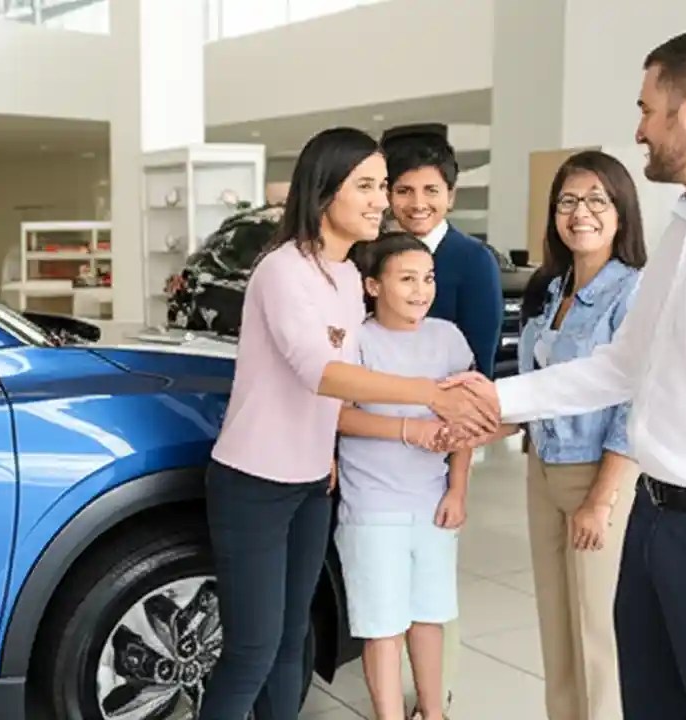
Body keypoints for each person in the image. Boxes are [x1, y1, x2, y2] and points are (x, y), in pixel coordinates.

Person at [455, 26, 686, 719]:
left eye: (648, 109)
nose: (640, 128)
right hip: (654, 525)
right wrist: (495, 396)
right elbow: (624, 366)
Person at [200, 127, 497, 720]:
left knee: (291, 644)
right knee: (252, 651)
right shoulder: (283, 271)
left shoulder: (343, 277)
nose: (381, 201)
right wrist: (429, 397)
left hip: (312, 483)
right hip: (254, 482)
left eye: (381, 187)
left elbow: (332, 395)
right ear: (323, 191)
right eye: (366, 186)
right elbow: (322, 373)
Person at [516, 150, 647, 720]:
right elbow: (538, 386)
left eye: (597, 200)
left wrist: (601, 499)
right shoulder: (552, 290)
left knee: (598, 635)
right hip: (543, 466)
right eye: (568, 201)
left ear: (621, 213)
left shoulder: (635, 291)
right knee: (557, 628)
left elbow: (635, 403)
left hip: (599, 478)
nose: (580, 213)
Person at [335, 232, 476, 720]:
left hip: (432, 501)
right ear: (373, 286)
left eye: (428, 278)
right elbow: (337, 416)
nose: (421, 290)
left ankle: (433, 713)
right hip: (372, 506)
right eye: (407, 279)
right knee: (383, 625)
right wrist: (409, 430)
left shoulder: (448, 338)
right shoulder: (356, 340)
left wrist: (458, 488)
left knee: (430, 616)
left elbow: (468, 422)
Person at [380, 124, 504, 378]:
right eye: (404, 191)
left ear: (451, 196)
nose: (418, 204)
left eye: (431, 190)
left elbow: (480, 361)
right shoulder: (372, 254)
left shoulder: (475, 260)